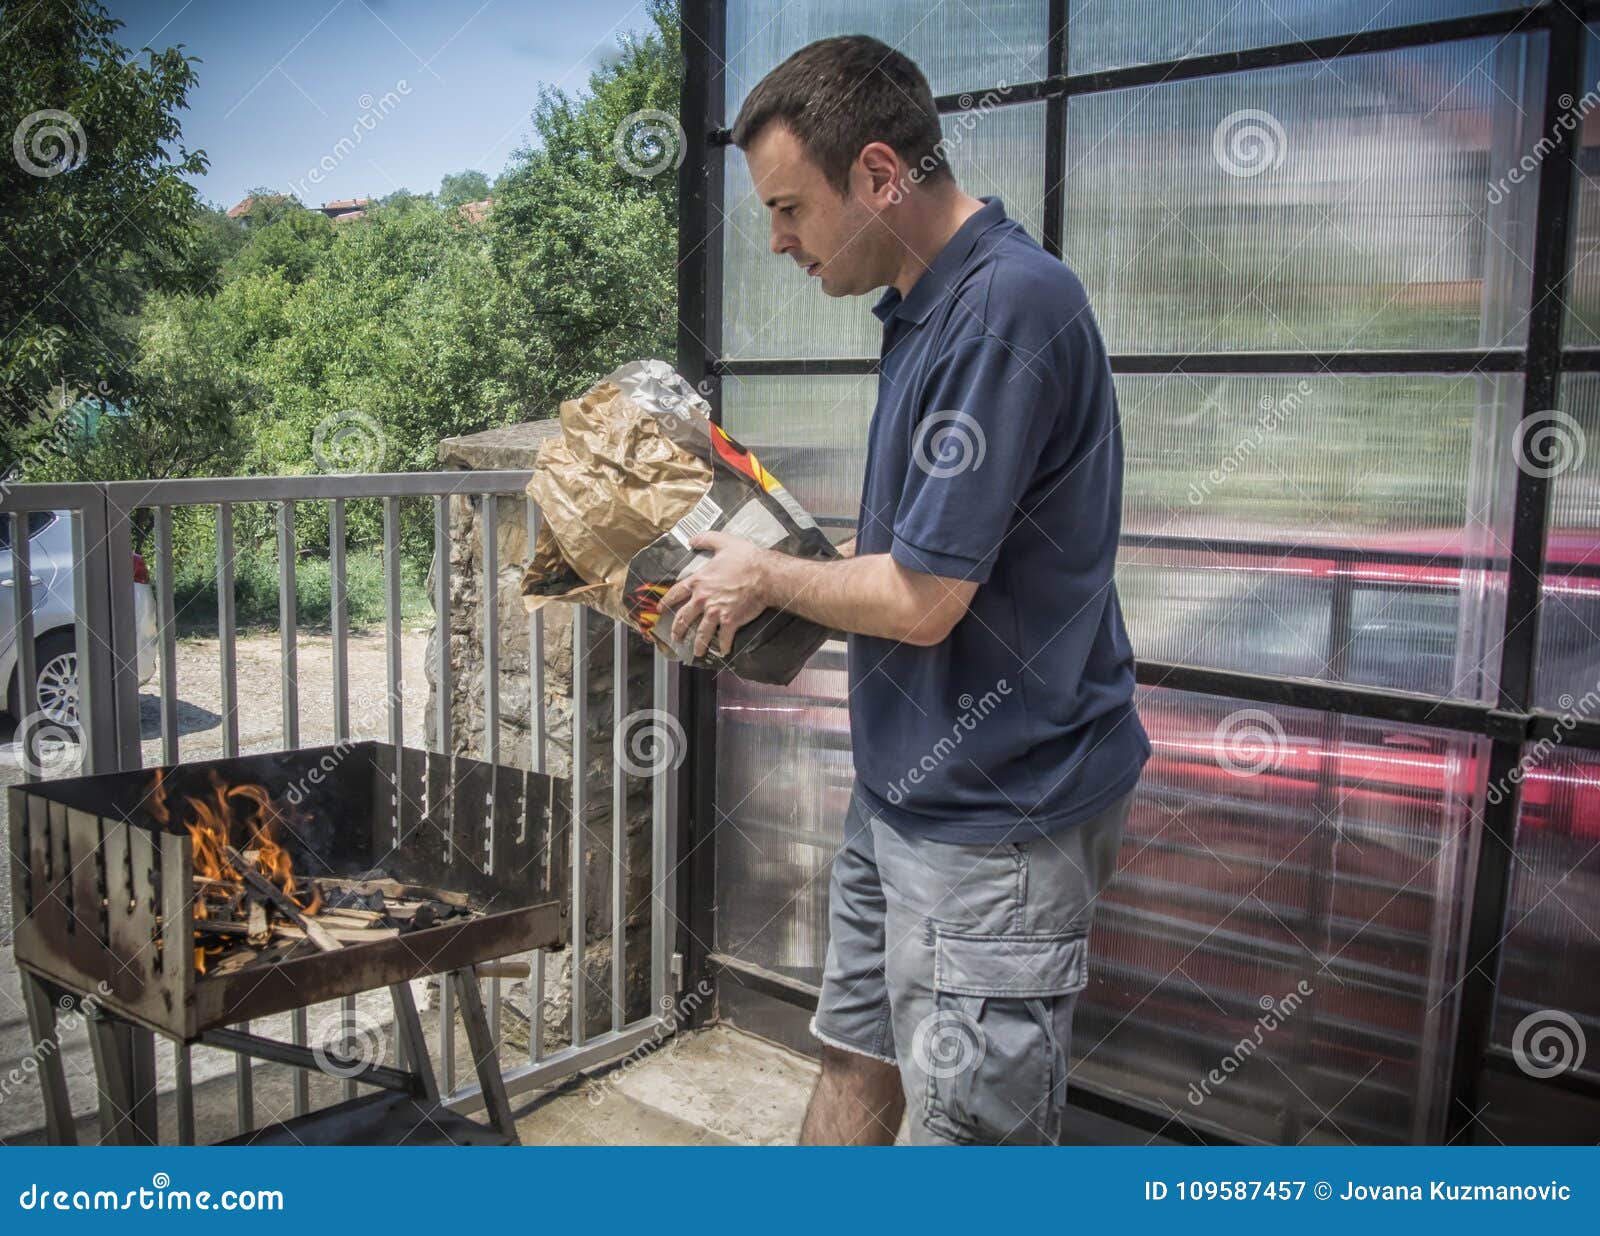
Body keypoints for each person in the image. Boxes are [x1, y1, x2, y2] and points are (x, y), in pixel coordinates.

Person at [660, 34, 1150, 1146]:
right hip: (908, 792)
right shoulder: (930, 305)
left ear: (879, 175)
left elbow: (927, 600)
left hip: (996, 821)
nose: (776, 240)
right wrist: (789, 553)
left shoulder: (1001, 309)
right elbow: (946, 543)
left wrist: (765, 574)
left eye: (788, 208)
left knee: (965, 1135)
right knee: (854, 1055)